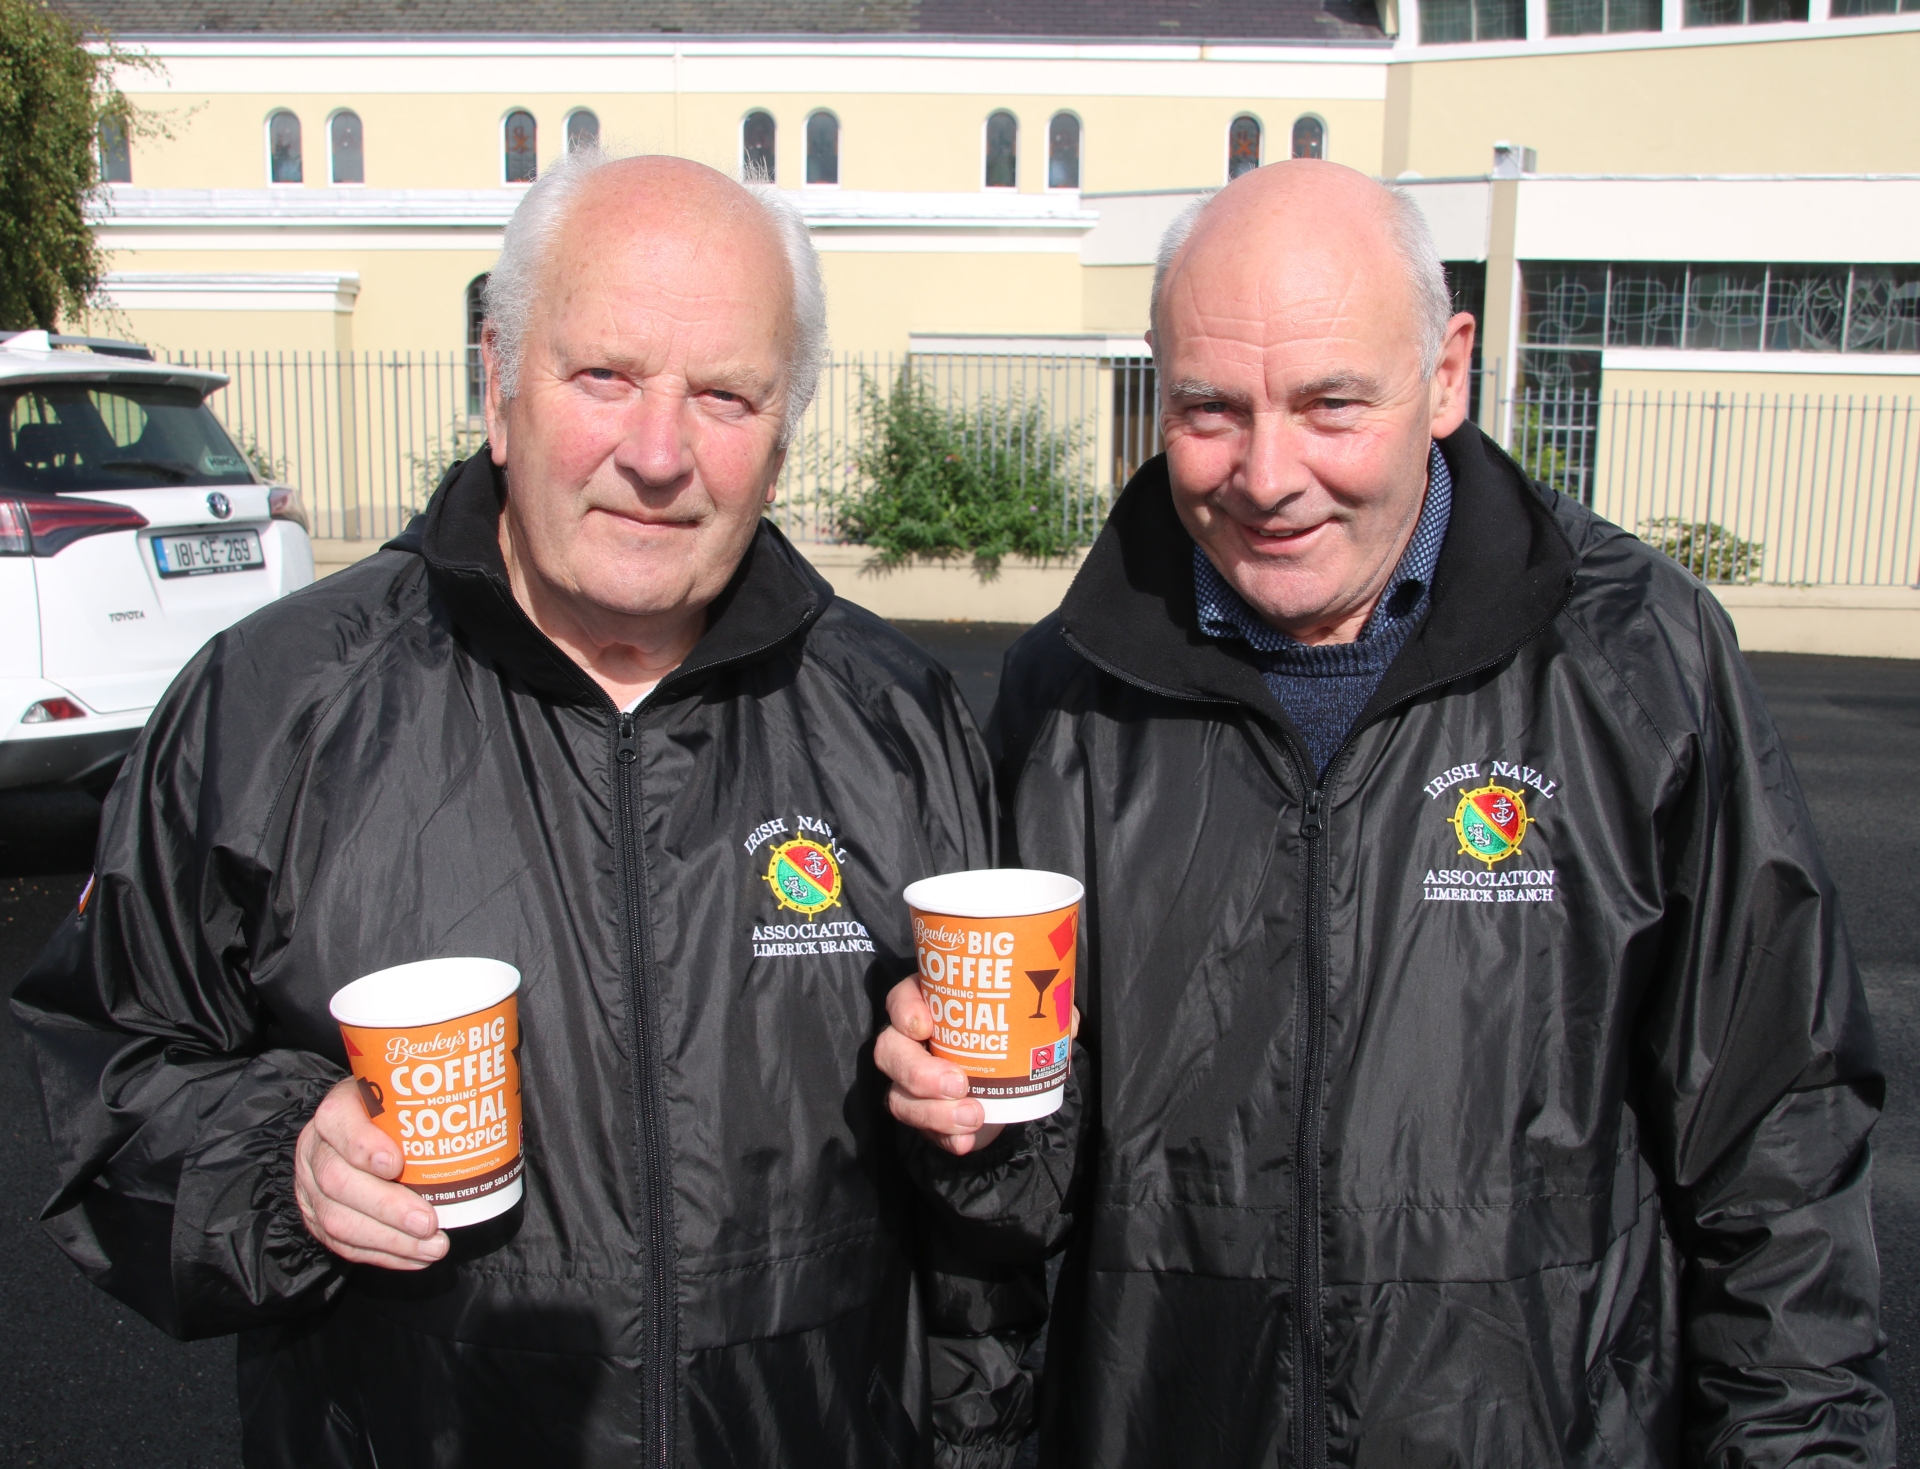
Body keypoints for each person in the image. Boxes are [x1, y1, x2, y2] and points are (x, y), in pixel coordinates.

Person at [15, 152, 1028, 1467]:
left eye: (724, 394)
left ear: (781, 436)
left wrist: (984, 1133)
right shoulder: (271, 705)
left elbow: (990, 1247)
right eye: (602, 375)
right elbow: (107, 1076)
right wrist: (279, 1165)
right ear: (498, 384)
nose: (656, 454)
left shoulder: (899, 722)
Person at [880, 161, 1892, 1465]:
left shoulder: (1639, 662)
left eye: (1331, 404)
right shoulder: (1066, 694)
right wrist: (964, 1128)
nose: (1267, 473)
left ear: (1449, 372)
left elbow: (1775, 1137)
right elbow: (1009, 1226)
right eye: (1210, 408)